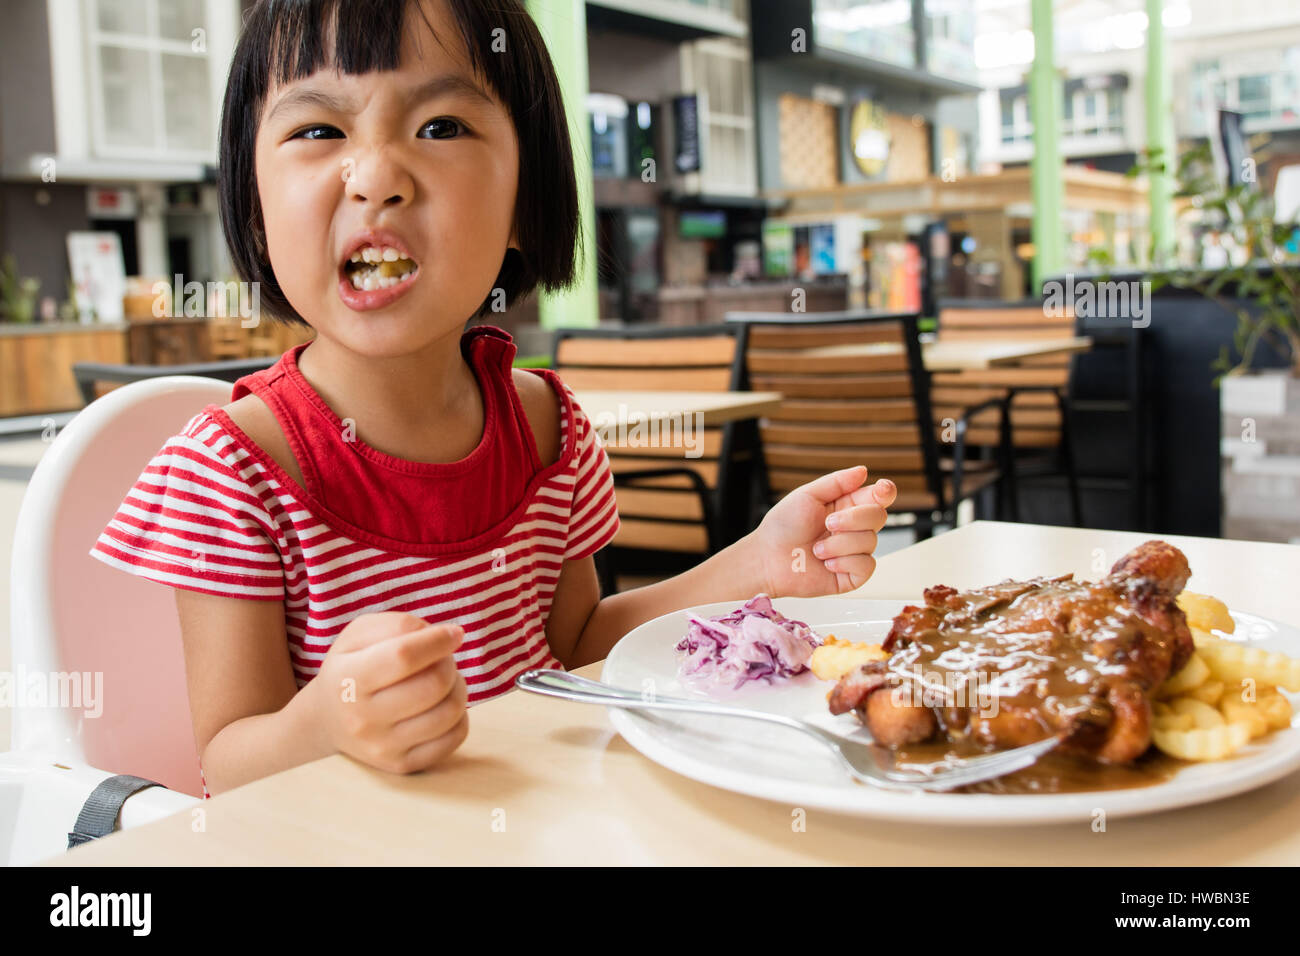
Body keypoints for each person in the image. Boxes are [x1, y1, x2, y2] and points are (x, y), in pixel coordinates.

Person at [89, 0, 897, 798]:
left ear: (524, 198)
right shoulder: (232, 471)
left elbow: (578, 643)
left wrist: (754, 564)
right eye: (318, 131)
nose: (373, 177)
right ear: (255, 203)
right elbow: (229, 764)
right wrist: (332, 719)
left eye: (440, 127)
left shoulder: (548, 427)